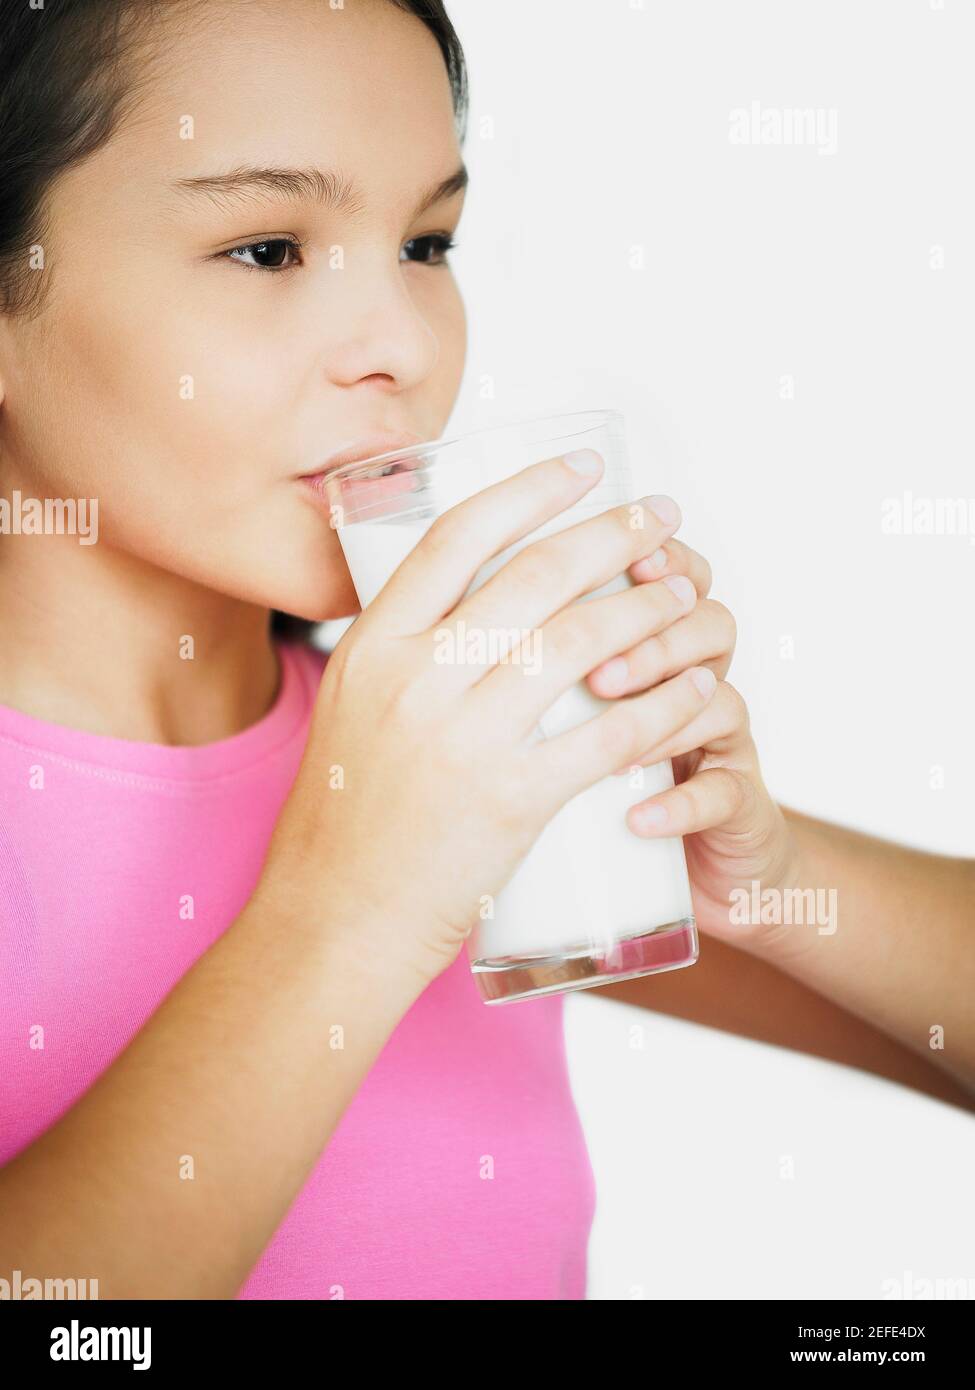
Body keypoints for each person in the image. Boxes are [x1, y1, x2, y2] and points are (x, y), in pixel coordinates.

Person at [0, 0, 970, 1303]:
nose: (403, 344)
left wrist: (770, 879)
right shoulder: (407, 800)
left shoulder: (446, 747)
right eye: (270, 248)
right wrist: (350, 910)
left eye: (424, 241)